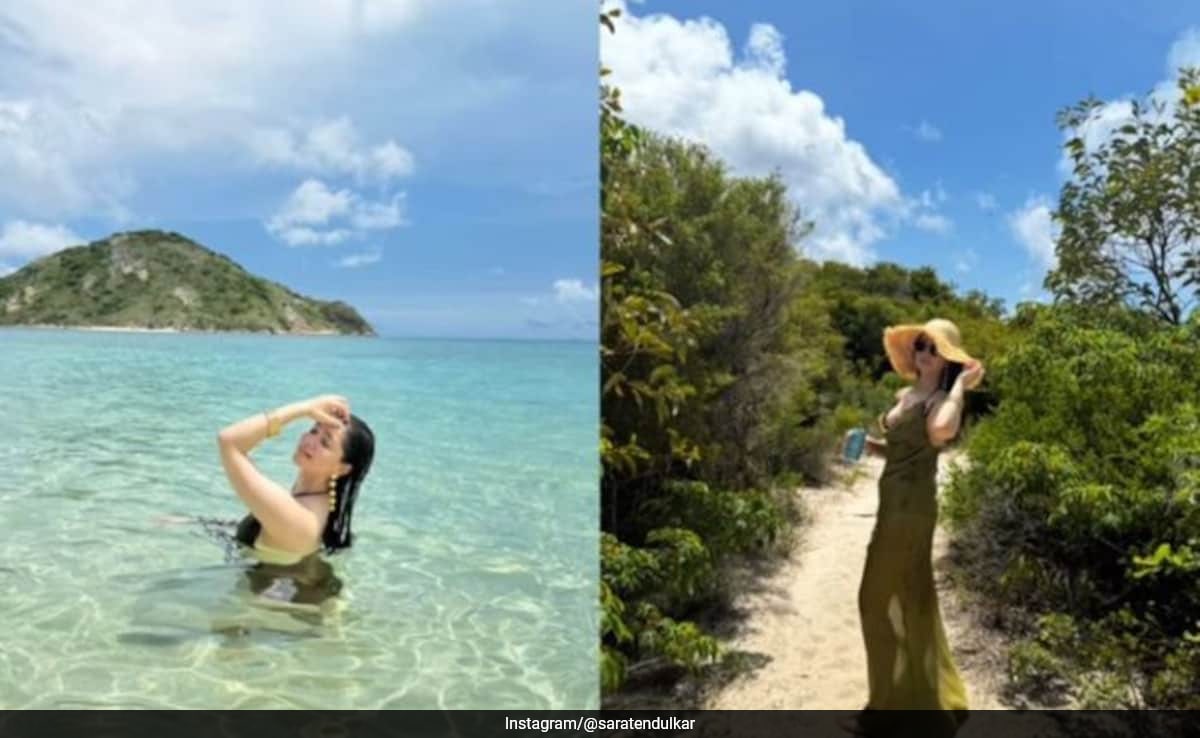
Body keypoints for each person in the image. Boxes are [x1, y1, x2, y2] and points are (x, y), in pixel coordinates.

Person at [843, 318, 984, 737]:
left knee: (874, 599)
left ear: (948, 359)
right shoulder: (907, 394)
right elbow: (901, 450)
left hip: (913, 511)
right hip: (892, 507)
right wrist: (870, 446)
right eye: (921, 344)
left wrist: (960, 386)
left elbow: (941, 432)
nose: (924, 352)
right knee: (909, 598)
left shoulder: (942, 399)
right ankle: (912, 700)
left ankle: (885, 710)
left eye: (934, 347)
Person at [216, 394, 375, 567]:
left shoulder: (303, 519)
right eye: (314, 430)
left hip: (262, 592)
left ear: (342, 469)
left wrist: (304, 409)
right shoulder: (312, 503)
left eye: (325, 442)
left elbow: (229, 441)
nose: (309, 441)